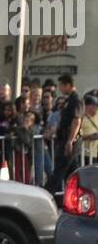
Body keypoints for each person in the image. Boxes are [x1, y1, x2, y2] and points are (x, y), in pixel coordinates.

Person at [45, 73, 84, 202]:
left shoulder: (76, 100)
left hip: (70, 140)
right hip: (65, 138)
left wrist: (70, 141)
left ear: (68, 85)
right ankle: (76, 199)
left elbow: (76, 121)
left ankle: (45, 195)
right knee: (72, 174)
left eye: (61, 85)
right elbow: (65, 121)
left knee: (59, 170)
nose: (60, 88)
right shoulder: (69, 100)